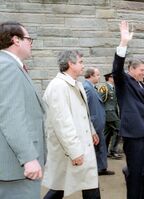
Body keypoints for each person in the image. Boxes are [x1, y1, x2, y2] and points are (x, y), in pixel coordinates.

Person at [42, 50, 101, 198]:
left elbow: (83, 113)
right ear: (70, 63)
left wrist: (92, 130)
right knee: (60, 187)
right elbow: (62, 123)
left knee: (89, 184)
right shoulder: (58, 86)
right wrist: (75, 151)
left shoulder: (77, 85)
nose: (83, 65)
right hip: (70, 148)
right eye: (80, 62)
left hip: (81, 143)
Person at [112, 20, 144, 199]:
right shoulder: (124, 81)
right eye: (141, 70)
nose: (143, 73)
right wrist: (123, 43)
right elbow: (117, 70)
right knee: (136, 172)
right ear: (131, 69)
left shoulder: (140, 85)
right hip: (133, 134)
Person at [0, 21, 45, 199]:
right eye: (28, 39)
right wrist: (28, 158)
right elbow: (11, 116)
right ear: (16, 40)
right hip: (16, 168)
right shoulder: (7, 67)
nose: (30, 43)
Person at [83, 67, 115, 175]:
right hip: (94, 124)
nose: (99, 76)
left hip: (98, 123)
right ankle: (97, 169)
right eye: (97, 75)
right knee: (97, 148)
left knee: (101, 147)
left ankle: (101, 168)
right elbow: (84, 107)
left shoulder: (92, 87)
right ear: (91, 75)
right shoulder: (86, 87)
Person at [99, 72, 122, 159]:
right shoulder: (104, 88)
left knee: (107, 133)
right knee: (119, 130)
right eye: (113, 77)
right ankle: (113, 151)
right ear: (109, 78)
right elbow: (100, 100)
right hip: (108, 113)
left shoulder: (113, 88)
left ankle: (104, 152)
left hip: (113, 113)